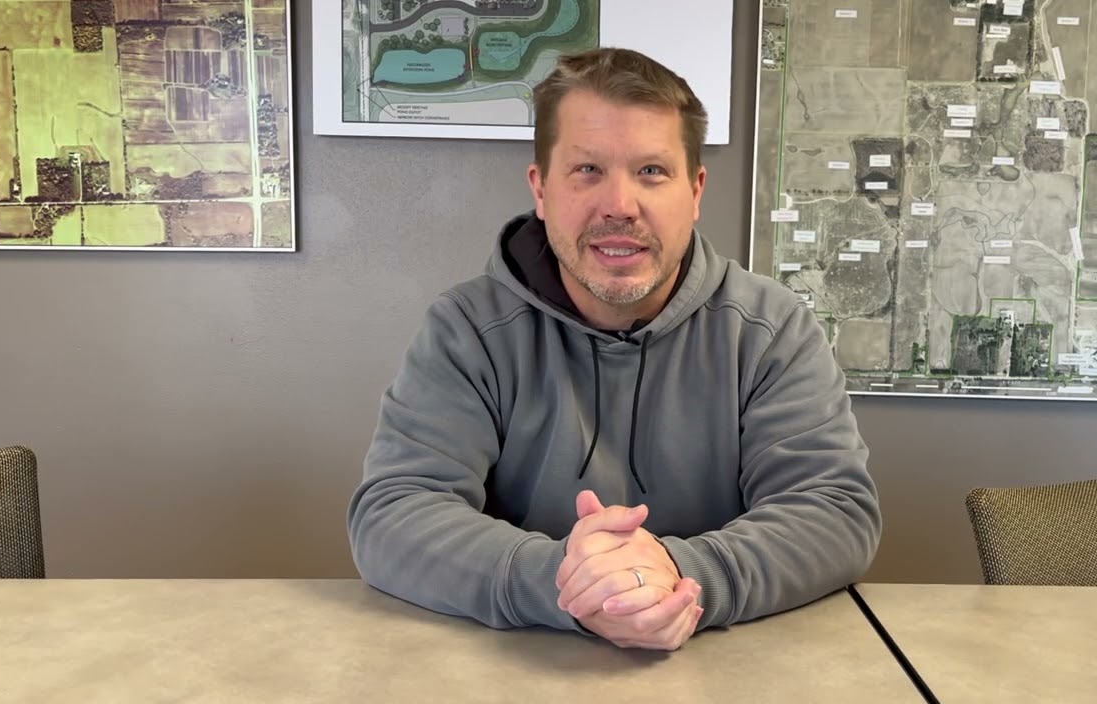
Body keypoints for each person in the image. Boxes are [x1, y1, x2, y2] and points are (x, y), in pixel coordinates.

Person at [347, 47, 881, 651]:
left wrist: (679, 576)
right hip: (519, 667)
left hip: (725, 666)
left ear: (695, 191)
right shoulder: (468, 329)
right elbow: (393, 513)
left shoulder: (770, 330)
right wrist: (566, 582)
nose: (620, 206)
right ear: (541, 189)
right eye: (587, 170)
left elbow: (834, 511)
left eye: (651, 171)